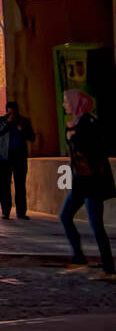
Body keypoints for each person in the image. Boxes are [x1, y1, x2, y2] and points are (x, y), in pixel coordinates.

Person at [59, 90, 114, 276]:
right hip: (81, 181)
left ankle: (108, 268)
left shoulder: (88, 123)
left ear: (76, 103)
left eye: (67, 102)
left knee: (96, 225)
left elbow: (91, 149)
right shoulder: (76, 123)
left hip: (92, 182)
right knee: (66, 216)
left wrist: (72, 136)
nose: (64, 105)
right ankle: (79, 258)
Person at [0, 101, 36, 219]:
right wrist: (7, 123)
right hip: (5, 157)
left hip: (19, 157)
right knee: (4, 185)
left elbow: (32, 137)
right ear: (7, 112)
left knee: (20, 185)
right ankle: (5, 211)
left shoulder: (23, 121)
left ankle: (21, 212)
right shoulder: (1, 120)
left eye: (14, 112)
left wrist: (22, 130)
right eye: (10, 112)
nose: (12, 115)